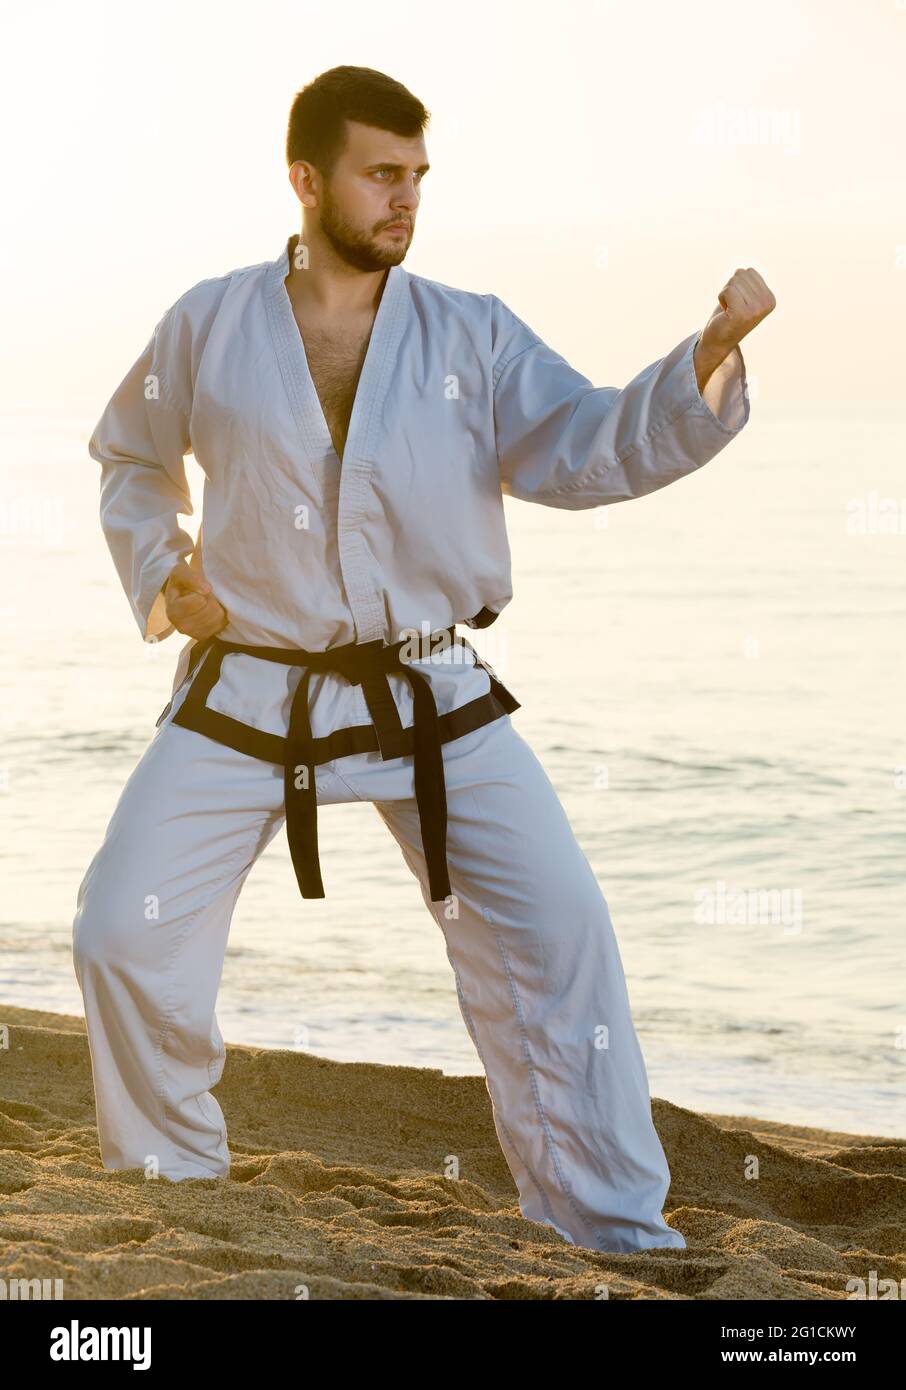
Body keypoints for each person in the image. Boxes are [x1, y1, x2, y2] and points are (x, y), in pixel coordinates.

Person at [72, 64, 774, 1253]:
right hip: (250, 683)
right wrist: (161, 569)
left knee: (560, 934)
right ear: (307, 180)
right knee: (120, 929)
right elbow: (130, 456)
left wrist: (700, 358)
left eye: (418, 176)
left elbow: (580, 442)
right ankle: (171, 1183)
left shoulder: (470, 331)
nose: (406, 199)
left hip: (430, 686)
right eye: (381, 174)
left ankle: (606, 1223)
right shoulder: (207, 322)